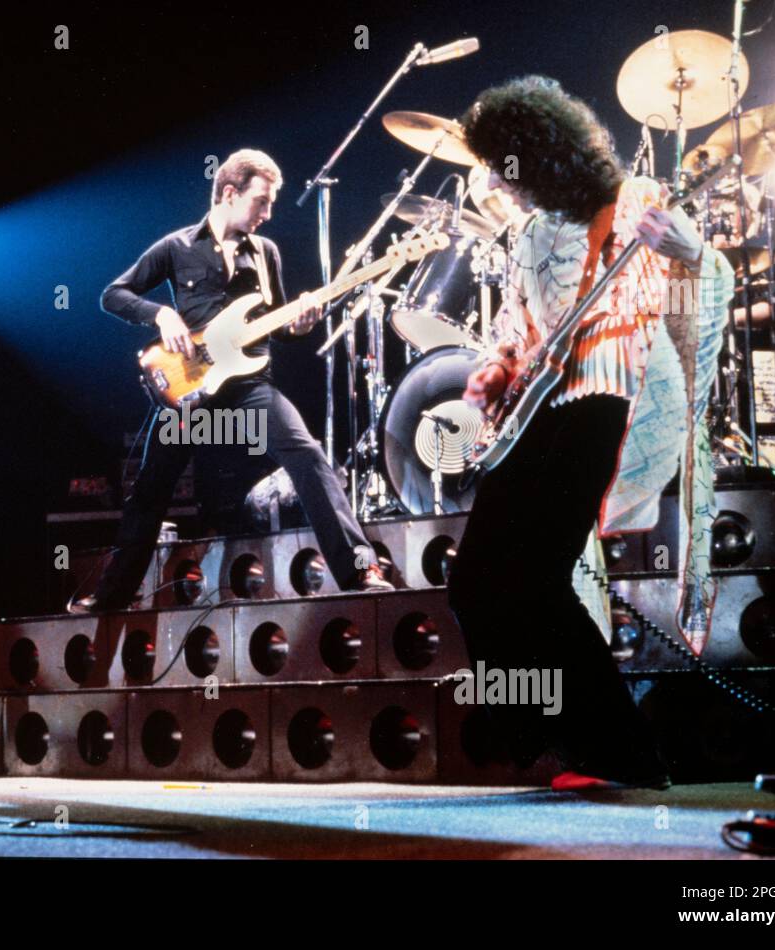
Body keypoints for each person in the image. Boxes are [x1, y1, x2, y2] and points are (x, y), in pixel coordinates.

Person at [449, 77, 735, 790]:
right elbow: (516, 329)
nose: (495, 183)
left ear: (540, 156)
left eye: (502, 166)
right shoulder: (528, 236)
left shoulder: (635, 201)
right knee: (473, 579)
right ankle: (530, 722)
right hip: (538, 409)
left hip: (606, 401)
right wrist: (492, 370)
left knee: (536, 577)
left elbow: (702, 286)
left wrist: (694, 252)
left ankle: (620, 754)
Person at [71, 149, 392, 613]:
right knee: (150, 487)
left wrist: (300, 323)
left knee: (307, 454)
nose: (268, 213)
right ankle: (111, 595)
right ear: (228, 193)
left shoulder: (265, 253)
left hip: (249, 389)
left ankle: (360, 569)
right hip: (193, 393)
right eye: (261, 201)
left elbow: (278, 325)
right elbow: (113, 295)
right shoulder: (176, 247)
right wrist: (161, 314)